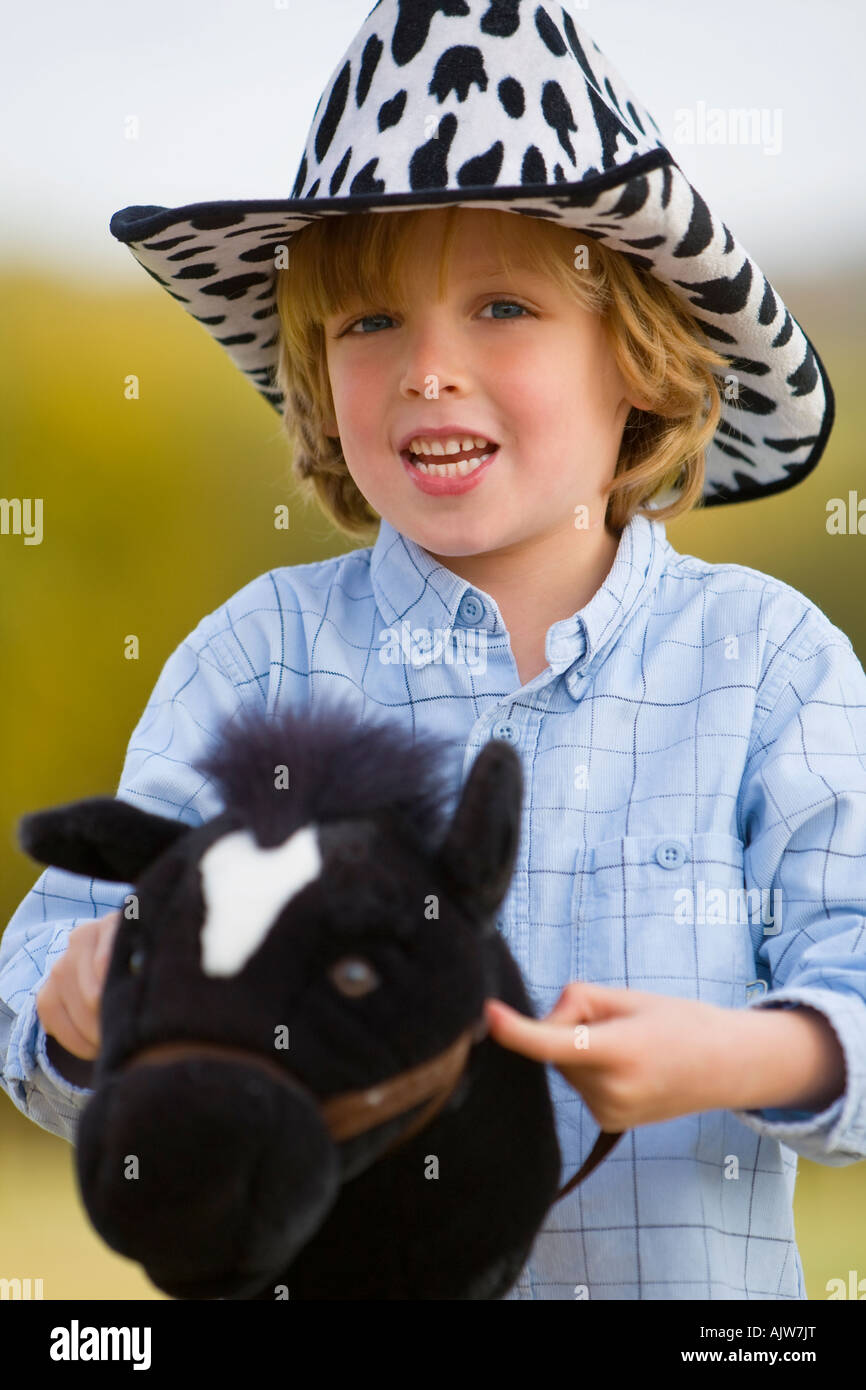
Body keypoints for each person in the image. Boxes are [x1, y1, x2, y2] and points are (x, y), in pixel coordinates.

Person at [2, 0, 863, 1300]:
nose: (428, 371)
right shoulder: (258, 658)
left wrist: (743, 1056)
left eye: (503, 306)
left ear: (634, 357)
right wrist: (79, 1006)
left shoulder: (765, 665)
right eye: (369, 325)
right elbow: (50, 977)